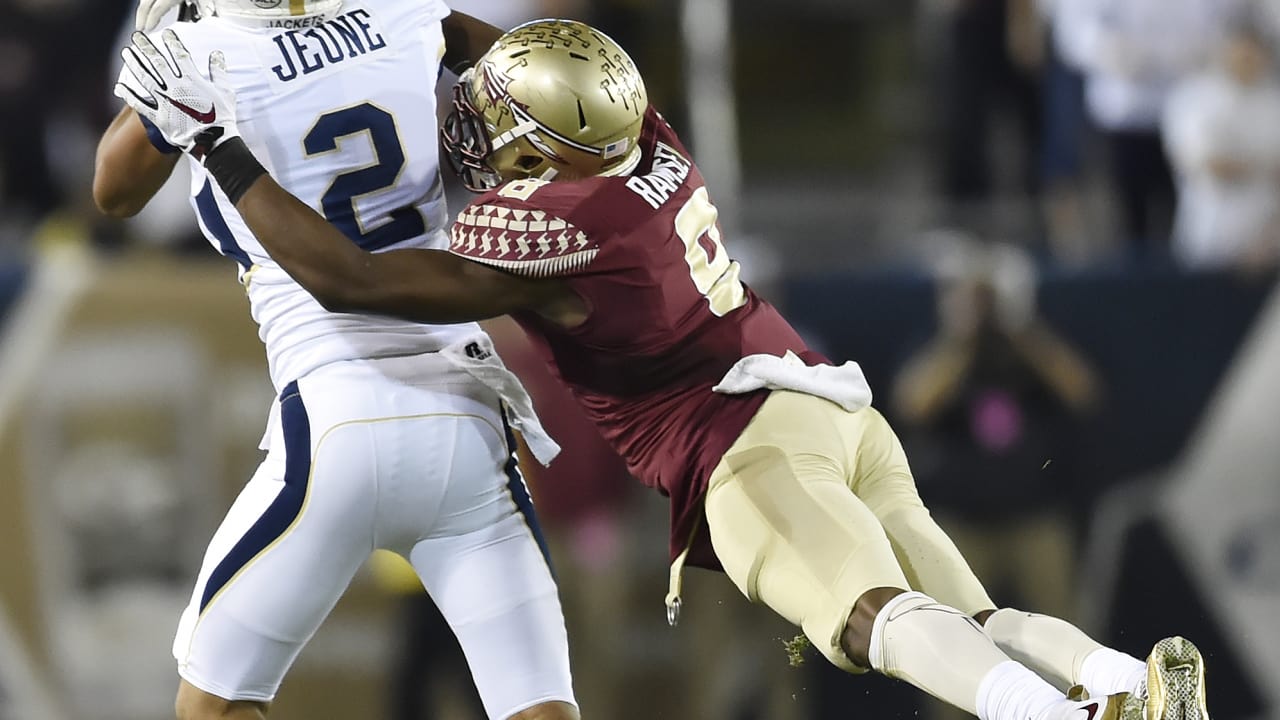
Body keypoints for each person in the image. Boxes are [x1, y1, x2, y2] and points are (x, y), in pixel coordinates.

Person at [118, 20, 1212, 720]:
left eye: (502, 129)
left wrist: (216, 139)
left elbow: (354, 279)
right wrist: (417, 32)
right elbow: (519, 67)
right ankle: (1116, 678)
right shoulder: (648, 138)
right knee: (970, 626)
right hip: (827, 400)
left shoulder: (548, 227)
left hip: (739, 445)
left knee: (870, 620)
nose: (477, 136)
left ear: (539, 150)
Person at [92, 3, 580, 720]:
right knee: (539, 708)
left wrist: (164, 74)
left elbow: (112, 191)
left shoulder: (203, 51)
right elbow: (537, 70)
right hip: (469, 415)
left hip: (334, 417)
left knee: (214, 706)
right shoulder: (409, 13)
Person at [1163, 23, 1280, 270]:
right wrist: (1264, 167)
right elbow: (1209, 165)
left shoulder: (1273, 100)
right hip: (1212, 234)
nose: (1247, 61)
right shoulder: (1195, 98)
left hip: (1268, 239)